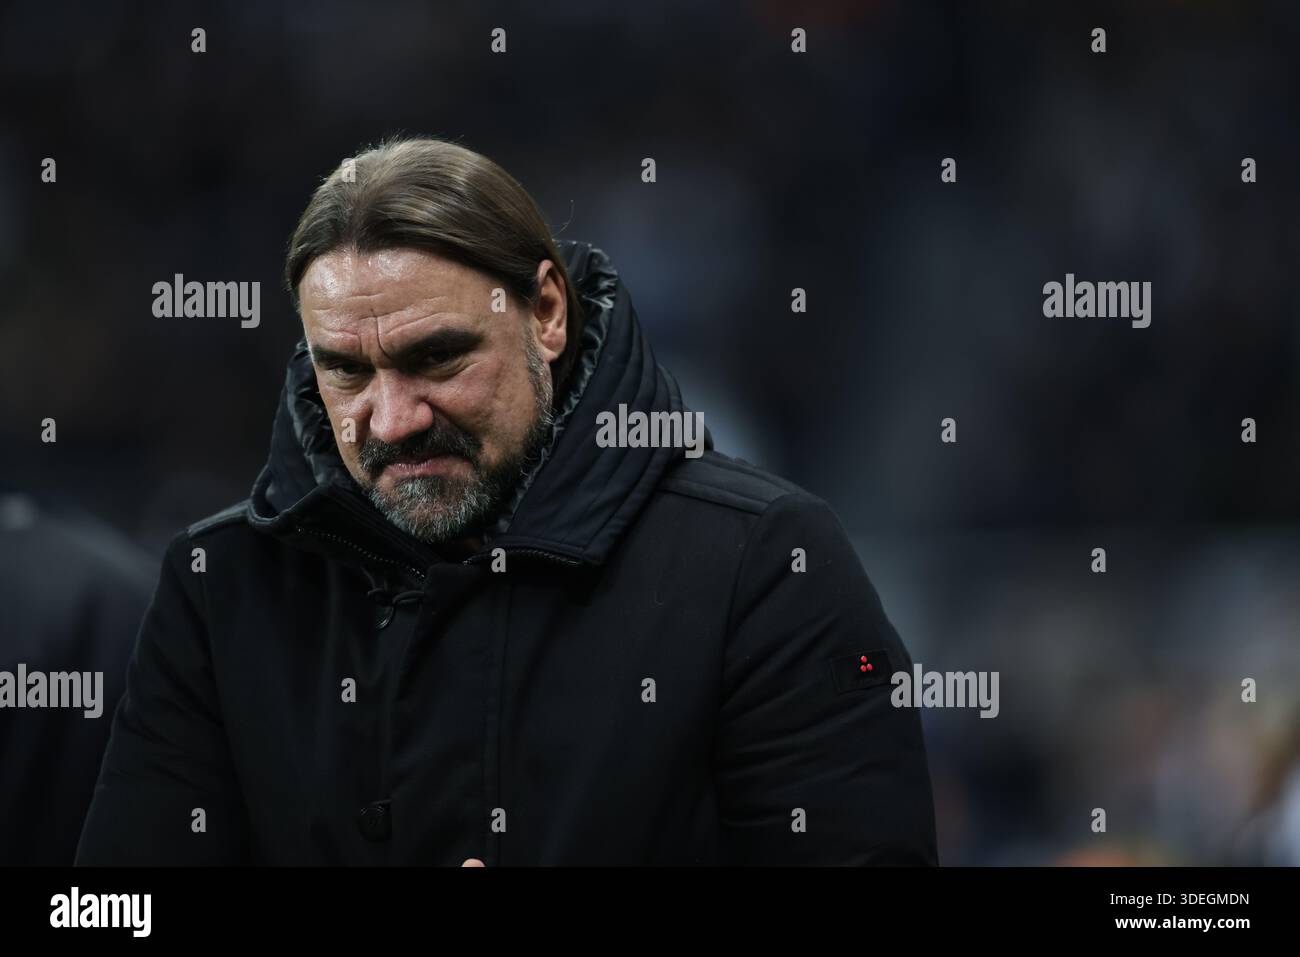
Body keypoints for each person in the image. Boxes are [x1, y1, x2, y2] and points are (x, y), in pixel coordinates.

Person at [76, 137, 937, 865]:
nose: (393, 418)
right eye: (345, 370)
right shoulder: (220, 583)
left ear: (547, 312)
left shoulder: (766, 565)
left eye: (437, 359)